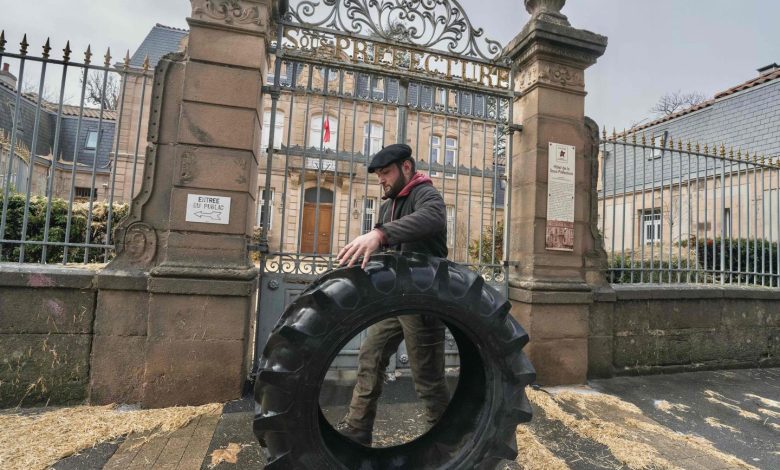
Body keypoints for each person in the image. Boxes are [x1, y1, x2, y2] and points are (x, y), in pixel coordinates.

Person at [335, 143, 450, 446]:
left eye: (385, 173)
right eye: (378, 176)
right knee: (370, 357)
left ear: (407, 168)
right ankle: (358, 429)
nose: (381, 180)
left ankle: (446, 444)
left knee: (427, 378)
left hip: (423, 299)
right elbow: (384, 249)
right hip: (396, 299)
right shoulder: (388, 205)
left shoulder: (424, 193)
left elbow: (434, 217)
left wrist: (381, 233)